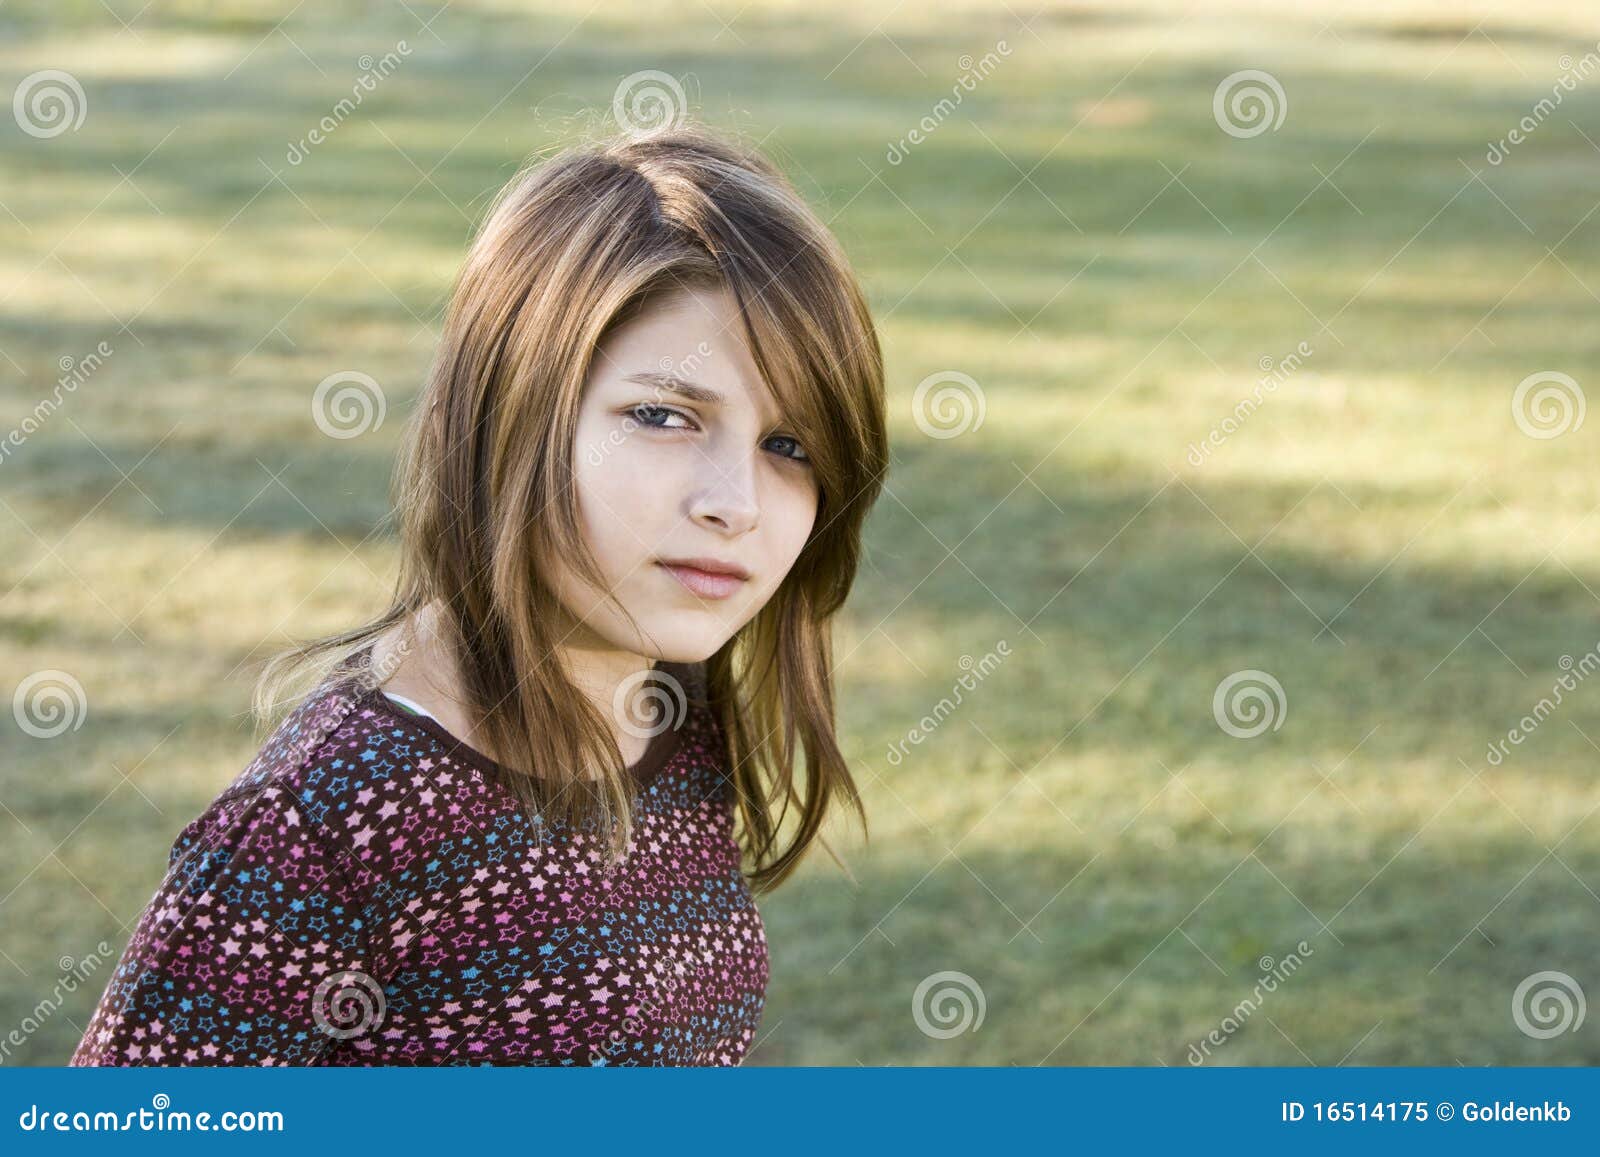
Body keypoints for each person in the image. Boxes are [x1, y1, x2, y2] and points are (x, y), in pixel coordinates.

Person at [70, 122, 889, 1066]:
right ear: (513, 410)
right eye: (662, 415)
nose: (734, 504)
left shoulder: (668, 710)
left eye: (787, 446)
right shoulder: (326, 821)